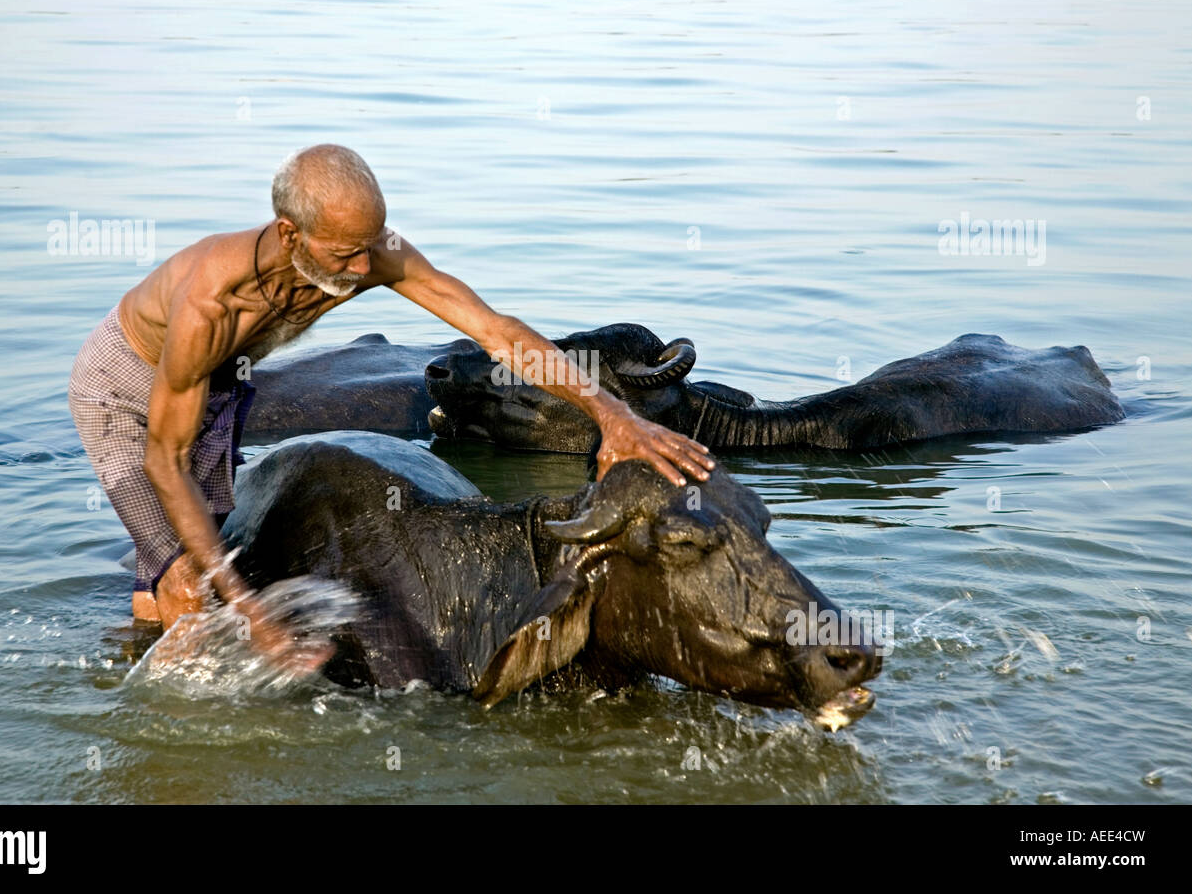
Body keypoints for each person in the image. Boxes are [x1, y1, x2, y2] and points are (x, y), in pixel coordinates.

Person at [68, 144, 714, 674]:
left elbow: (494, 329)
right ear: (290, 233)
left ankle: (144, 643)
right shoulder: (212, 302)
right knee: (182, 576)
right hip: (123, 394)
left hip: (210, 387)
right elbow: (164, 454)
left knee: (194, 573)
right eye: (344, 254)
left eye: (370, 246)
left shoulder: (367, 251)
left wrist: (612, 415)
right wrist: (250, 616)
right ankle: (151, 732)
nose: (362, 267)